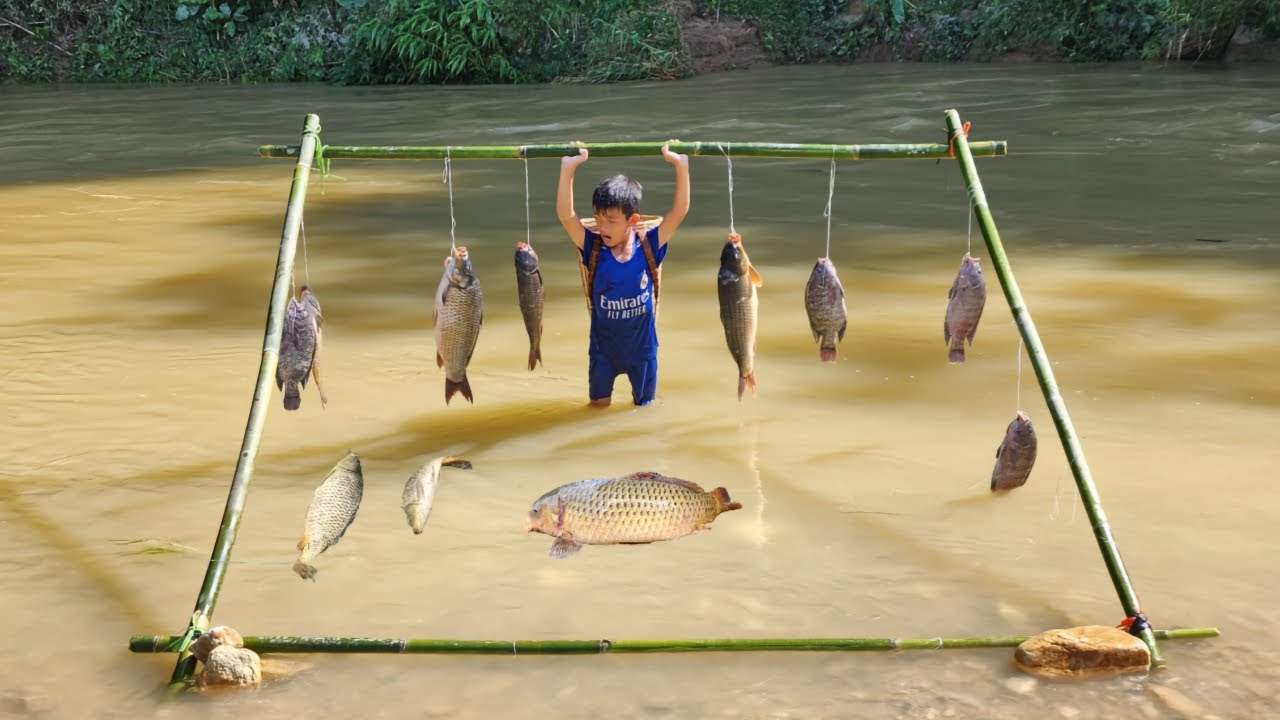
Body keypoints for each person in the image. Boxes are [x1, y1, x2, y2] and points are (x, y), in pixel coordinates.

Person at [556, 143, 690, 407]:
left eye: (610, 220)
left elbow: (679, 212)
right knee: (597, 408)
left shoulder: (649, 245)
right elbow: (566, 215)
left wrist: (680, 166)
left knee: (644, 409)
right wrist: (568, 169)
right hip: (603, 352)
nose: (601, 226)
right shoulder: (593, 247)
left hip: (643, 352)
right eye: (597, 217)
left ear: (632, 220)